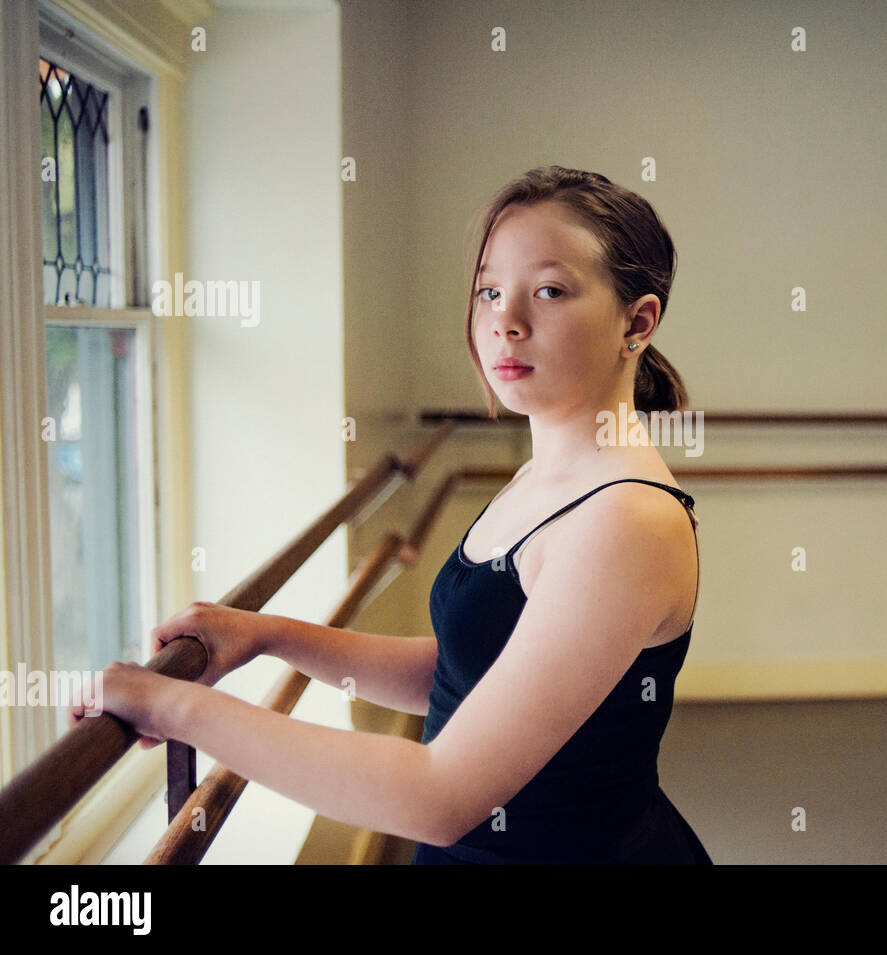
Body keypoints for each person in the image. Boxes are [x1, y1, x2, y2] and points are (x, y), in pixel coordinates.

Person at [70, 165, 712, 865]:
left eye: (549, 291)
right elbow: (465, 672)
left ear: (637, 321)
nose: (506, 321)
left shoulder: (626, 520)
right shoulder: (549, 477)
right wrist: (265, 634)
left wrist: (169, 705)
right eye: (489, 291)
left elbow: (438, 798)